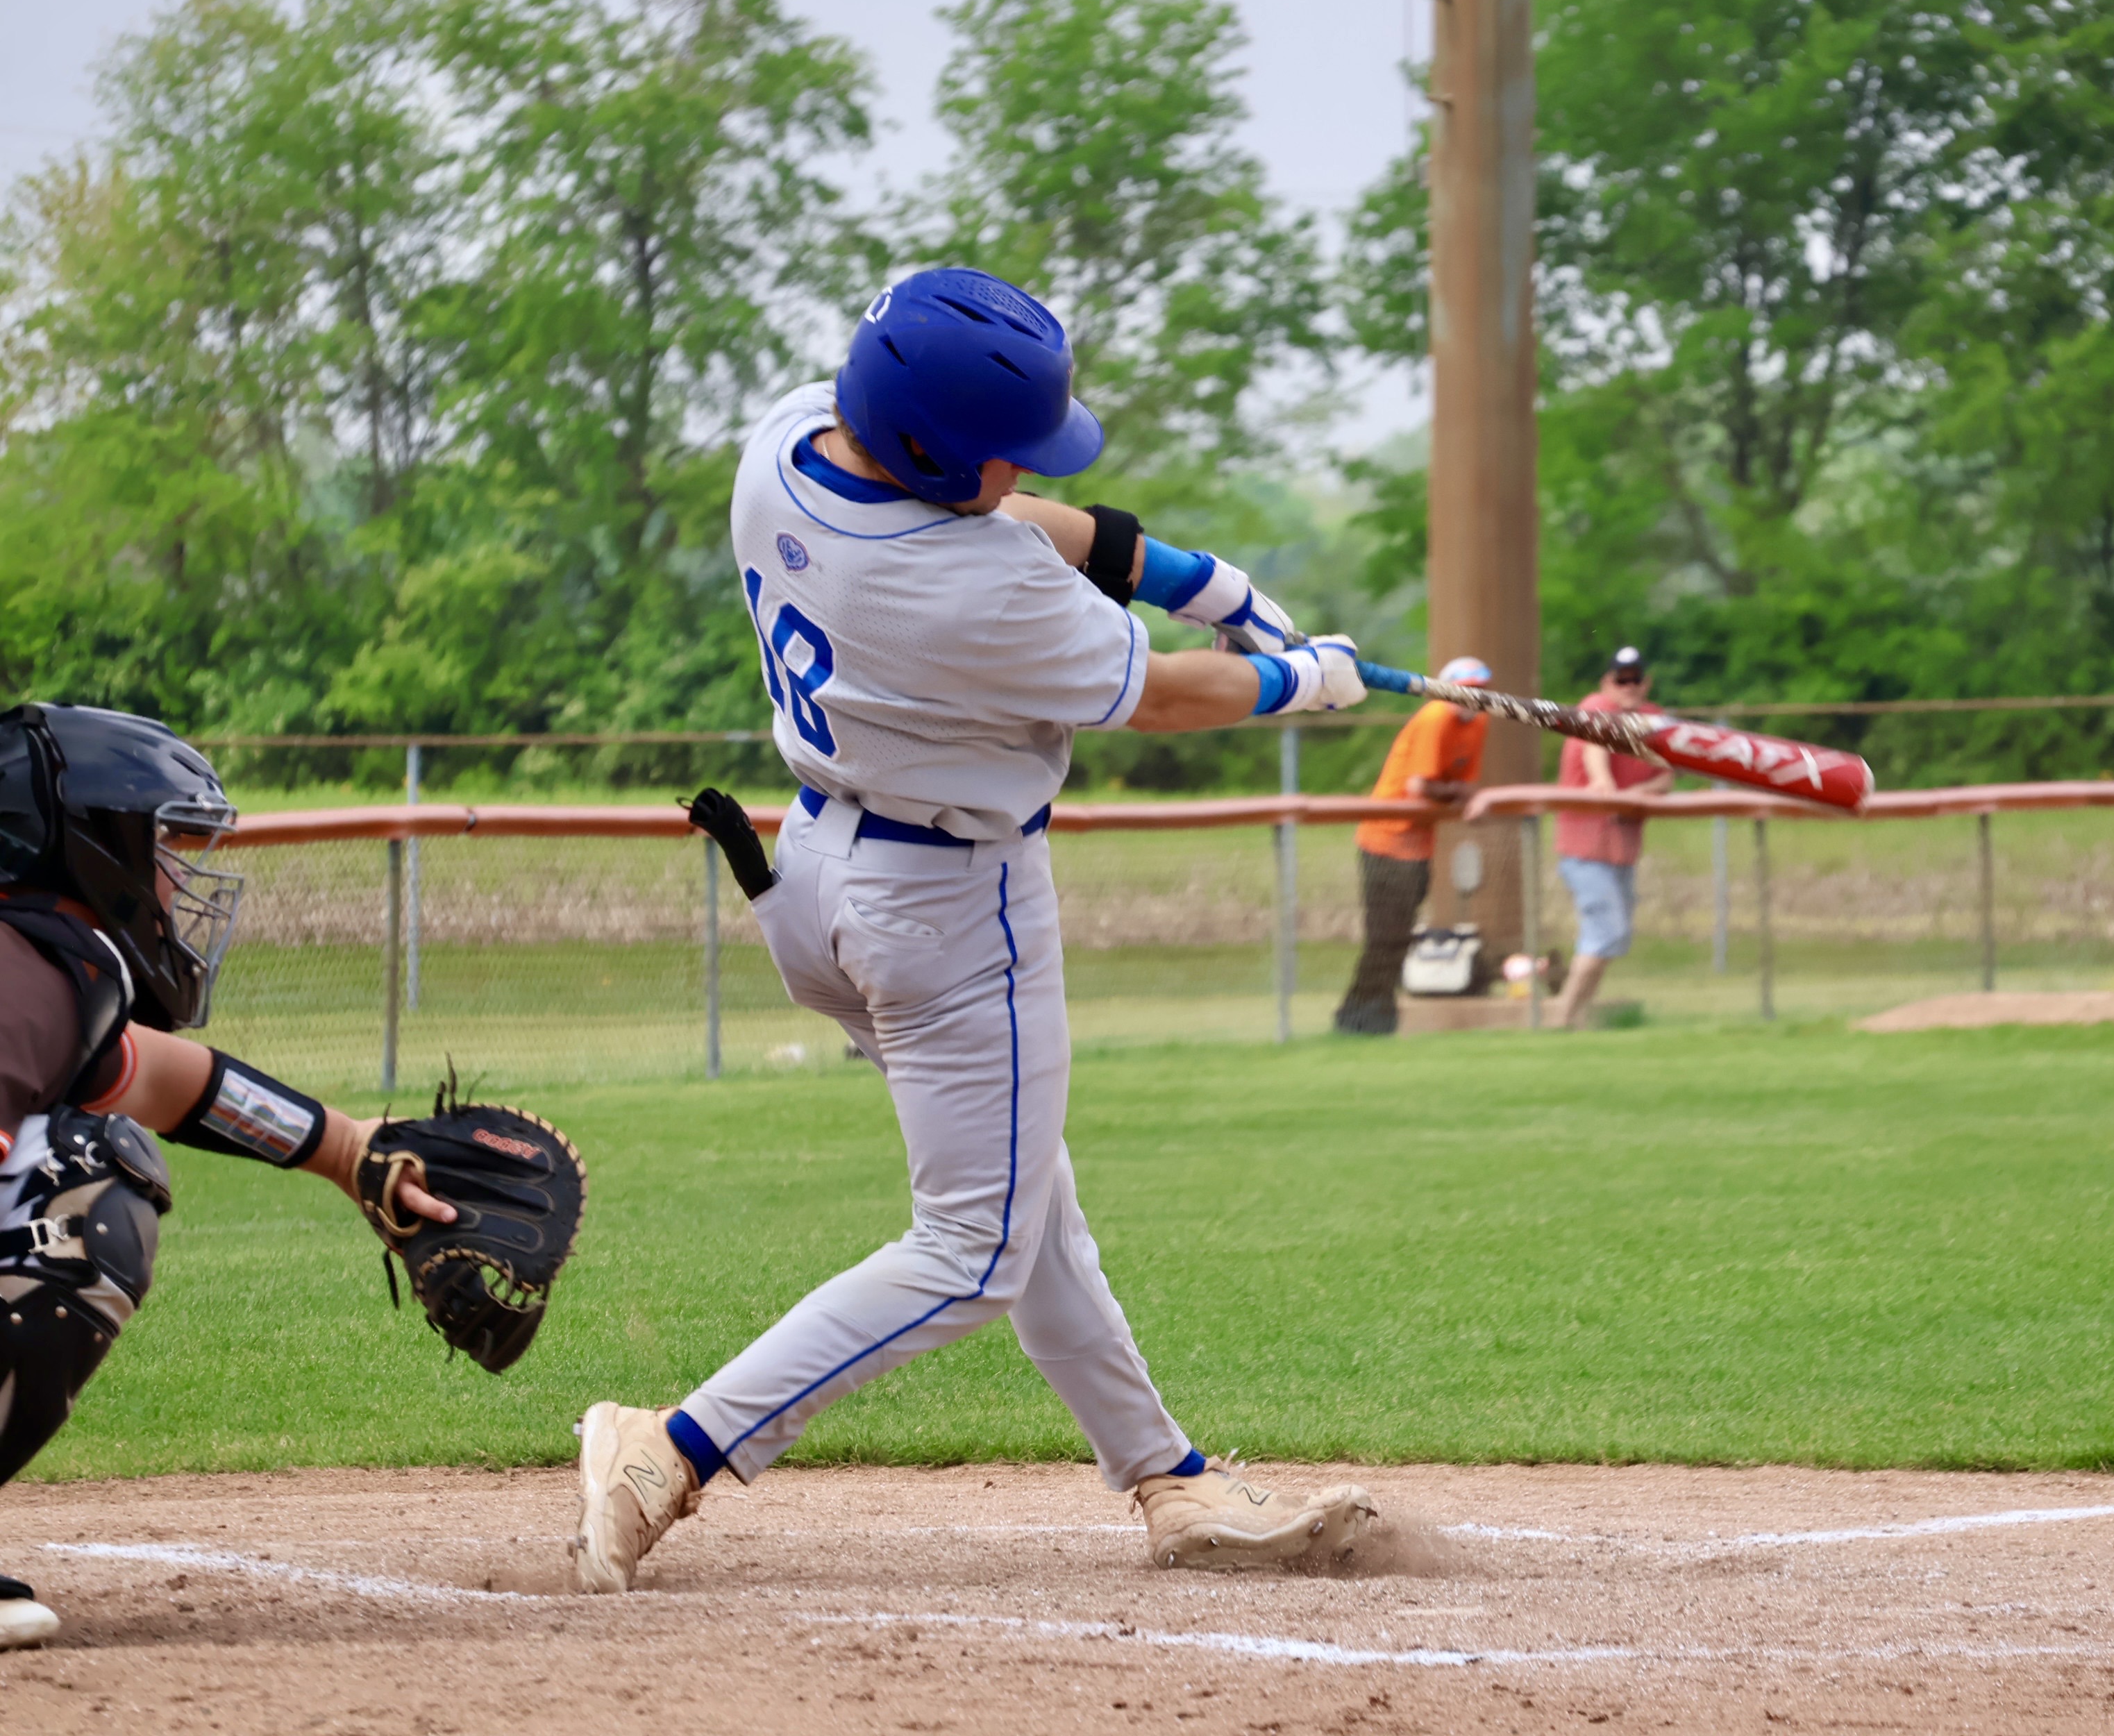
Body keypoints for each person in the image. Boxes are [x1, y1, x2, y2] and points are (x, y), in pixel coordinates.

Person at [569, 267, 1379, 1592]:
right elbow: (1162, 696)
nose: (1020, 474)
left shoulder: (784, 445)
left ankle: (1170, 1481)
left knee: (1026, 1213)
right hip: (951, 914)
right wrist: (1298, 678)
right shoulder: (966, 592)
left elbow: (1023, 521)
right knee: (972, 1253)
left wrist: (1190, 573)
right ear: (938, 454)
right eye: (1002, 455)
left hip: (815, 877)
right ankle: (672, 1444)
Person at [0, 704, 448, 1650]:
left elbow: (171, 1079)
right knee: (86, 1190)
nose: (181, 881)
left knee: (84, 1148)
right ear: (91, 847)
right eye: (168, 848)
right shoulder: (24, 989)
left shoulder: (43, 977)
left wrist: (348, 1153)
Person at [1333, 657, 1492, 1034]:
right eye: (1465, 690)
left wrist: (1453, 792)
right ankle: (1360, 1017)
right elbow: (1421, 786)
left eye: (1480, 691)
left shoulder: (1479, 722)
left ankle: (1371, 1015)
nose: (1473, 699)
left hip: (1420, 841)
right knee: (1386, 936)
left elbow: (1463, 786)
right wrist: (1453, 792)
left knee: (1399, 936)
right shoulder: (1437, 716)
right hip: (1386, 837)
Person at [1552, 647, 1672, 1029]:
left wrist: (1637, 795)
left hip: (1622, 847)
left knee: (1612, 937)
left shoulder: (1652, 718)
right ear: (1608, 682)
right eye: (1622, 679)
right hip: (1584, 847)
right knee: (1607, 931)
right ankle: (1560, 1018)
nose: (1630, 686)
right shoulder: (1596, 707)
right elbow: (1595, 743)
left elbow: (1666, 776)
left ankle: (1574, 1015)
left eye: (1636, 679)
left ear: (1646, 682)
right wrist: (1604, 782)